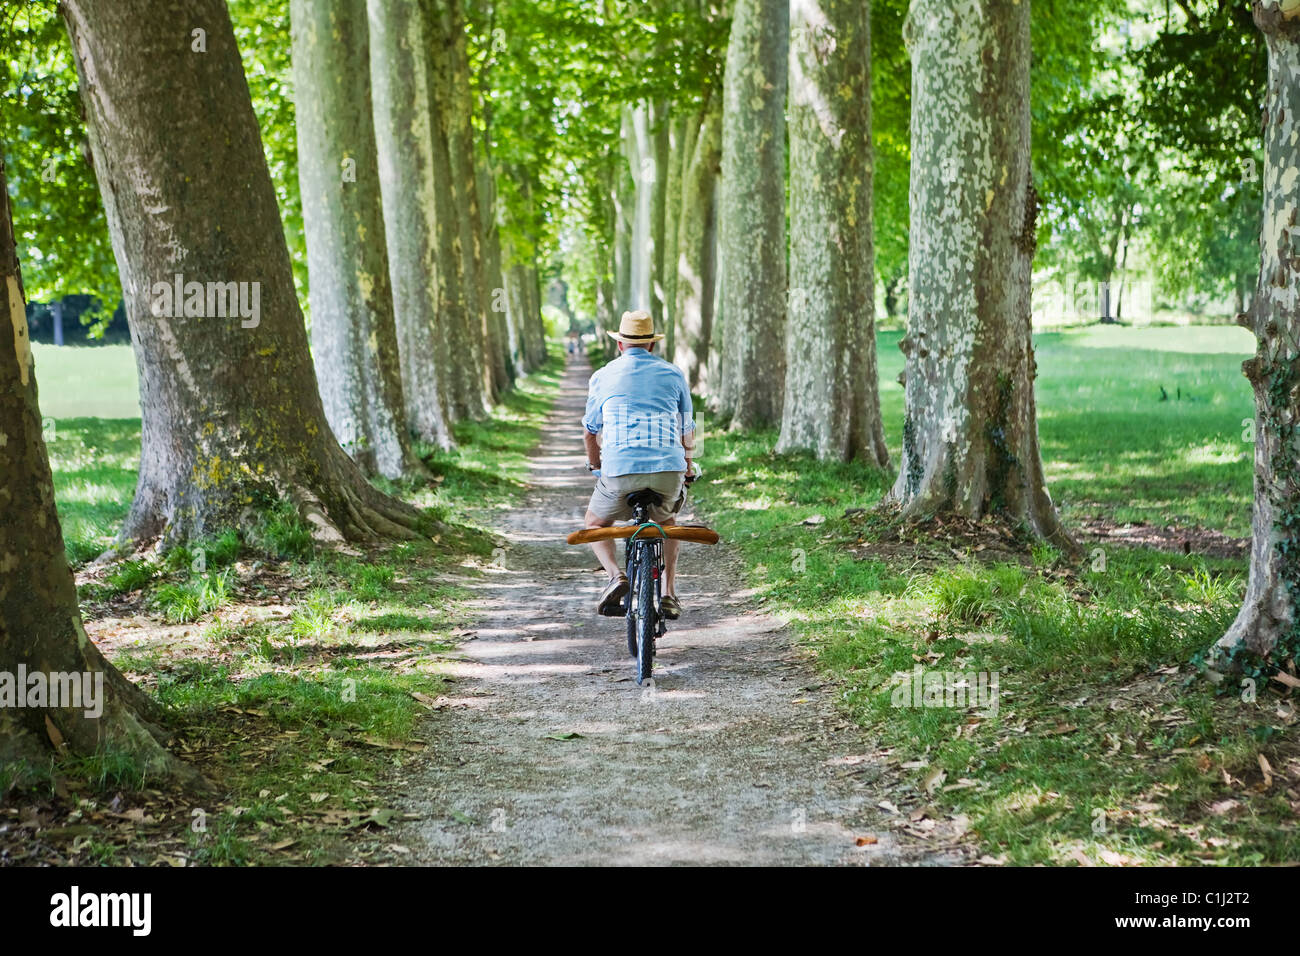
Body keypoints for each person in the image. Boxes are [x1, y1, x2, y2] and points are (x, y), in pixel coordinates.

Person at [582, 309, 696, 617]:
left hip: (619, 471)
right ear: (652, 345)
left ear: (619, 344)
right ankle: (669, 593)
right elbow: (687, 428)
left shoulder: (602, 375)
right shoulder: (673, 374)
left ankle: (615, 576)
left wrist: (597, 467)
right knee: (667, 523)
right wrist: (686, 467)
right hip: (666, 471)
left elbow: (590, 432)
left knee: (594, 523)